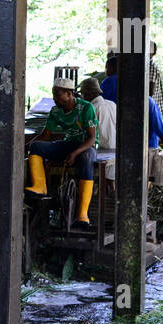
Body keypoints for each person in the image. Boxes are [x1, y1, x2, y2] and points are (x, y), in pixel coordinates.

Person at [27, 76, 98, 229]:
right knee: (36, 147)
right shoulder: (55, 111)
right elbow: (46, 136)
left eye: (57, 95)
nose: (54, 98)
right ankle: (40, 187)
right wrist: (28, 145)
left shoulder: (86, 108)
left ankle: (82, 215)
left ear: (69, 93)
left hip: (86, 146)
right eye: (53, 94)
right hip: (68, 144)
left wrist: (75, 153)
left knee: (86, 160)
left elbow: (92, 138)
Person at [80, 77, 117, 150]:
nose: (82, 97)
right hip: (116, 148)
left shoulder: (91, 108)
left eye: (82, 94)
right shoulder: (112, 104)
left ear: (89, 95)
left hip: (101, 150)